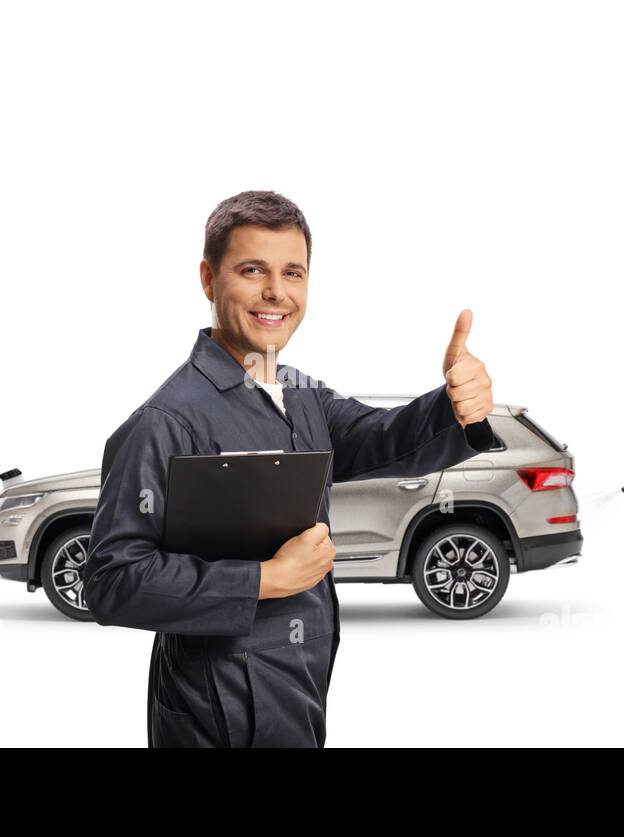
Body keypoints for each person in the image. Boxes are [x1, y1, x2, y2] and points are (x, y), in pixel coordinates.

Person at [84, 190, 496, 747]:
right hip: (219, 709)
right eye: (252, 270)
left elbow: (383, 439)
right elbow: (112, 582)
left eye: (293, 273)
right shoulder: (165, 422)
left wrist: (455, 406)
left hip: (297, 688)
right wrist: (265, 579)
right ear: (208, 279)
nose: (276, 291)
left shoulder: (301, 396)